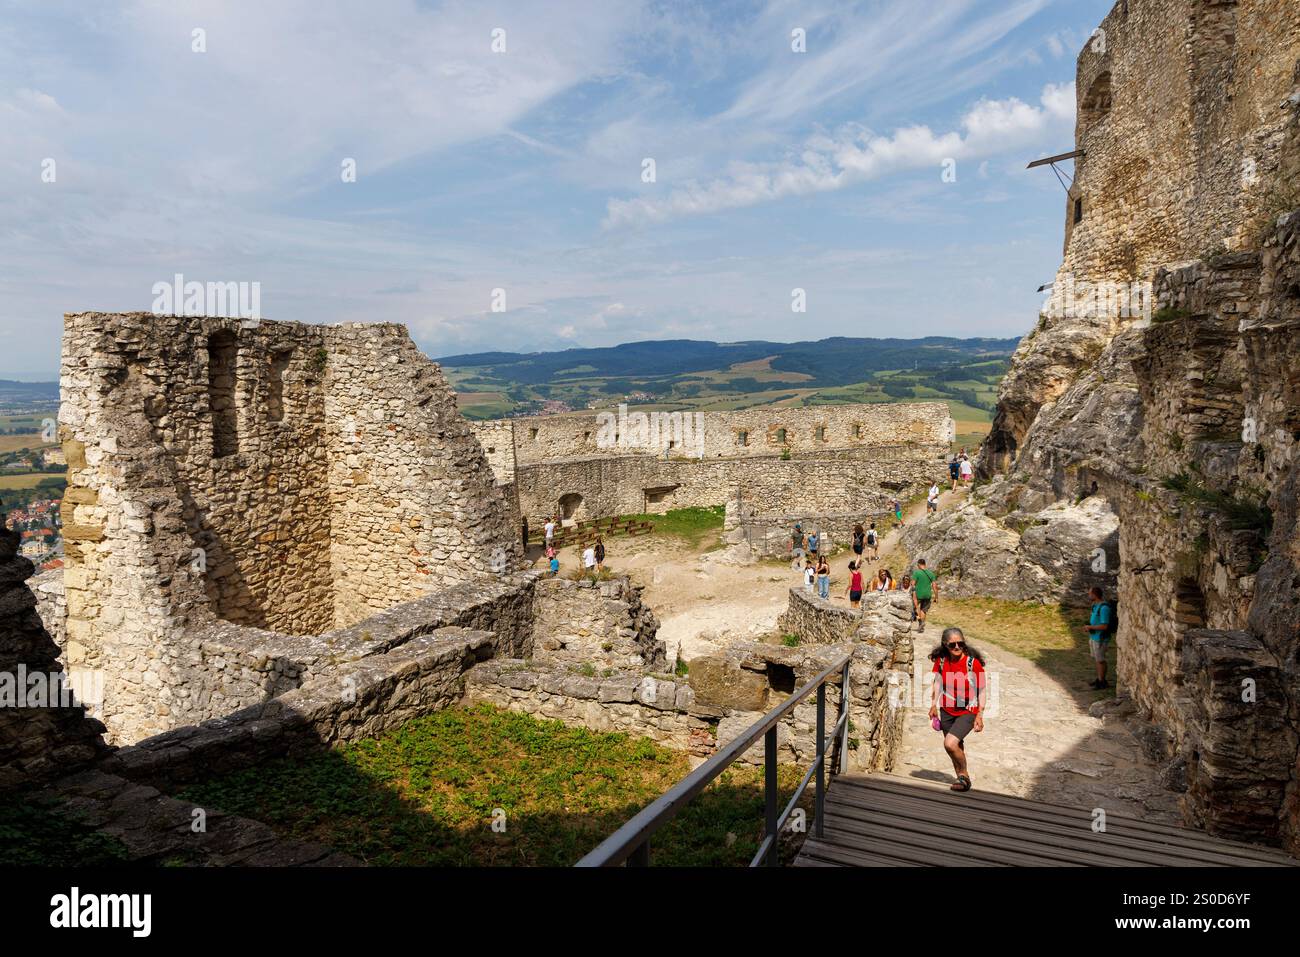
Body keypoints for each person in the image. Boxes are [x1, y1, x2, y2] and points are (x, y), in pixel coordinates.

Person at [928, 627, 987, 792]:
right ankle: (961, 778)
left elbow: (982, 690)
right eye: (952, 644)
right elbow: (938, 683)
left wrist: (979, 715)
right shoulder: (941, 660)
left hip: (968, 709)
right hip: (946, 709)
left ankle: (964, 775)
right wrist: (933, 704)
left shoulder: (972, 664)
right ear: (945, 645)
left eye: (960, 644)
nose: (956, 647)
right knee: (956, 746)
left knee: (950, 743)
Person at [1084, 585, 1113, 689]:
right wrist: (1089, 627)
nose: (1088, 595)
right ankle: (1100, 679)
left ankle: (1102, 682)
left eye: (1090, 593)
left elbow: (1105, 626)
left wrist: (1090, 626)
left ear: (1095, 595)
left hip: (1100, 639)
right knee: (1097, 660)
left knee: (1101, 660)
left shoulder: (1104, 608)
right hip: (1094, 637)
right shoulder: (1095, 605)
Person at [912, 558, 938, 633]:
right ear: (925, 564)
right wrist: (936, 597)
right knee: (923, 610)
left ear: (919, 564)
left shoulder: (916, 573)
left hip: (918, 594)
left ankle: (920, 622)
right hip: (927, 595)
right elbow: (934, 586)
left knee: (914, 608)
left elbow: (913, 584)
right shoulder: (931, 573)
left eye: (917, 565)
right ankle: (922, 624)